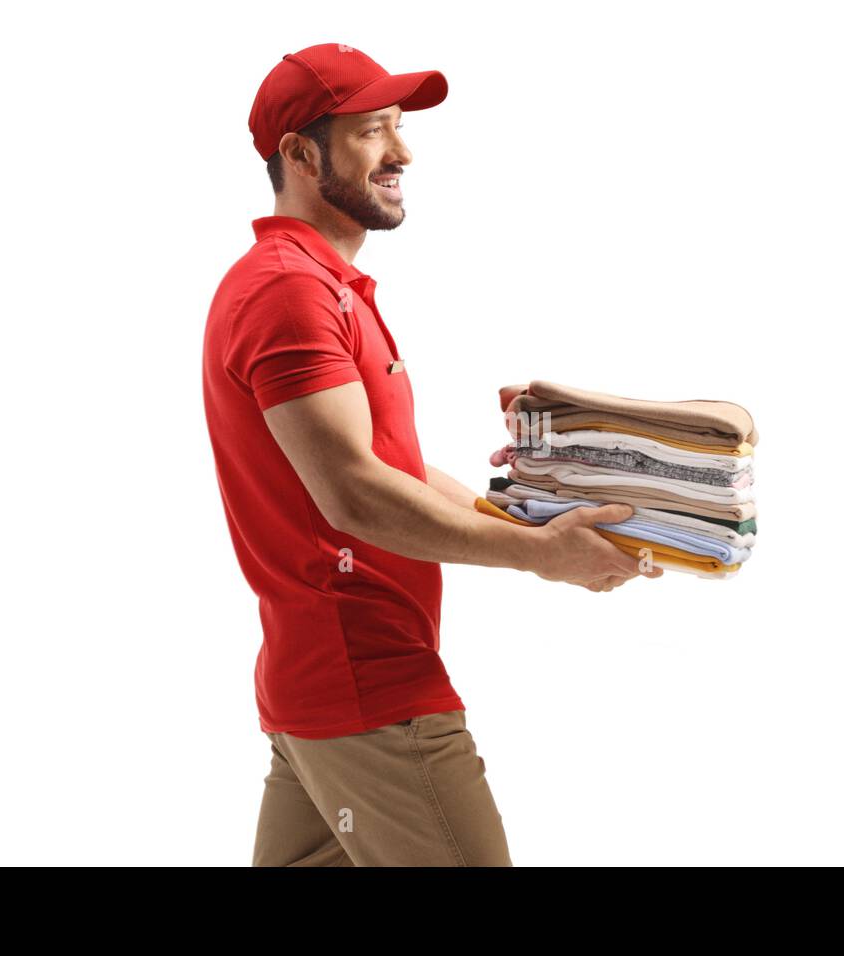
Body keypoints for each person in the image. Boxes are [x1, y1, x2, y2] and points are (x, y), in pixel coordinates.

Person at [201, 43, 662, 867]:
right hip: (369, 691)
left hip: (329, 685)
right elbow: (354, 496)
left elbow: (395, 473)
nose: (403, 152)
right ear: (301, 155)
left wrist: (539, 508)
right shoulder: (289, 292)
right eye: (373, 131)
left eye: (400, 127)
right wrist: (539, 557)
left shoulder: (322, 287)